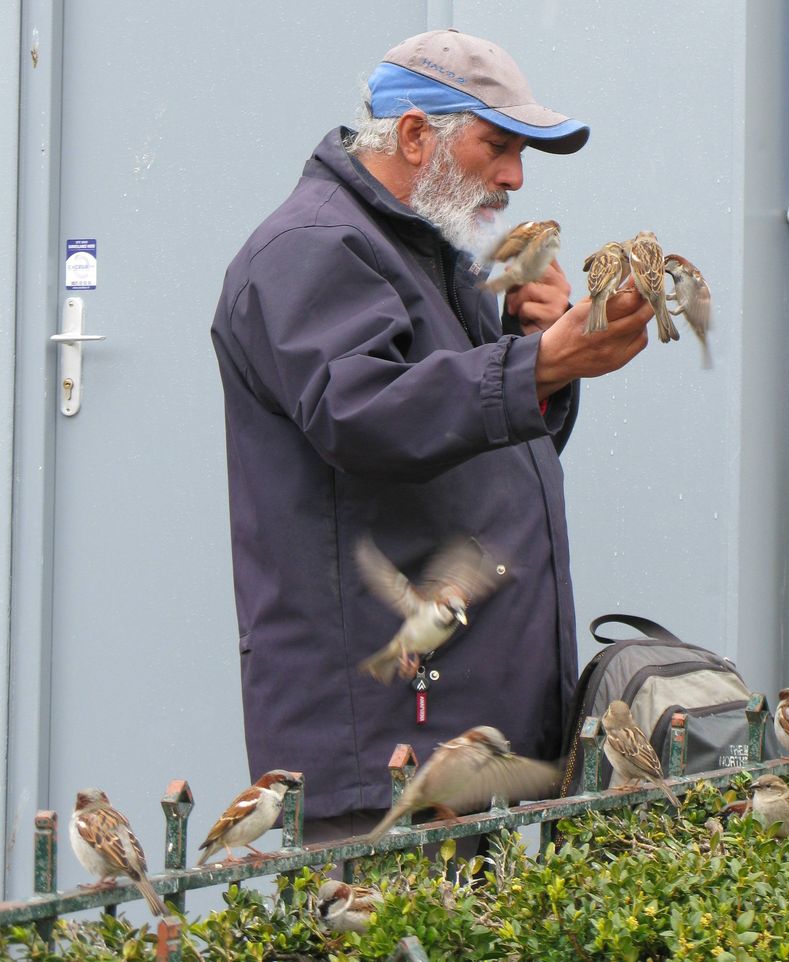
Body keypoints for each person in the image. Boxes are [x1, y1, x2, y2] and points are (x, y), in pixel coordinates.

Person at [211, 28, 652, 842]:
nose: (516, 177)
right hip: (383, 750)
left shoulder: (429, 249)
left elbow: (471, 443)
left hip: (456, 734)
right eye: (498, 145)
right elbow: (366, 415)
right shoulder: (314, 248)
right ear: (415, 135)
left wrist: (538, 359)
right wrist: (535, 366)